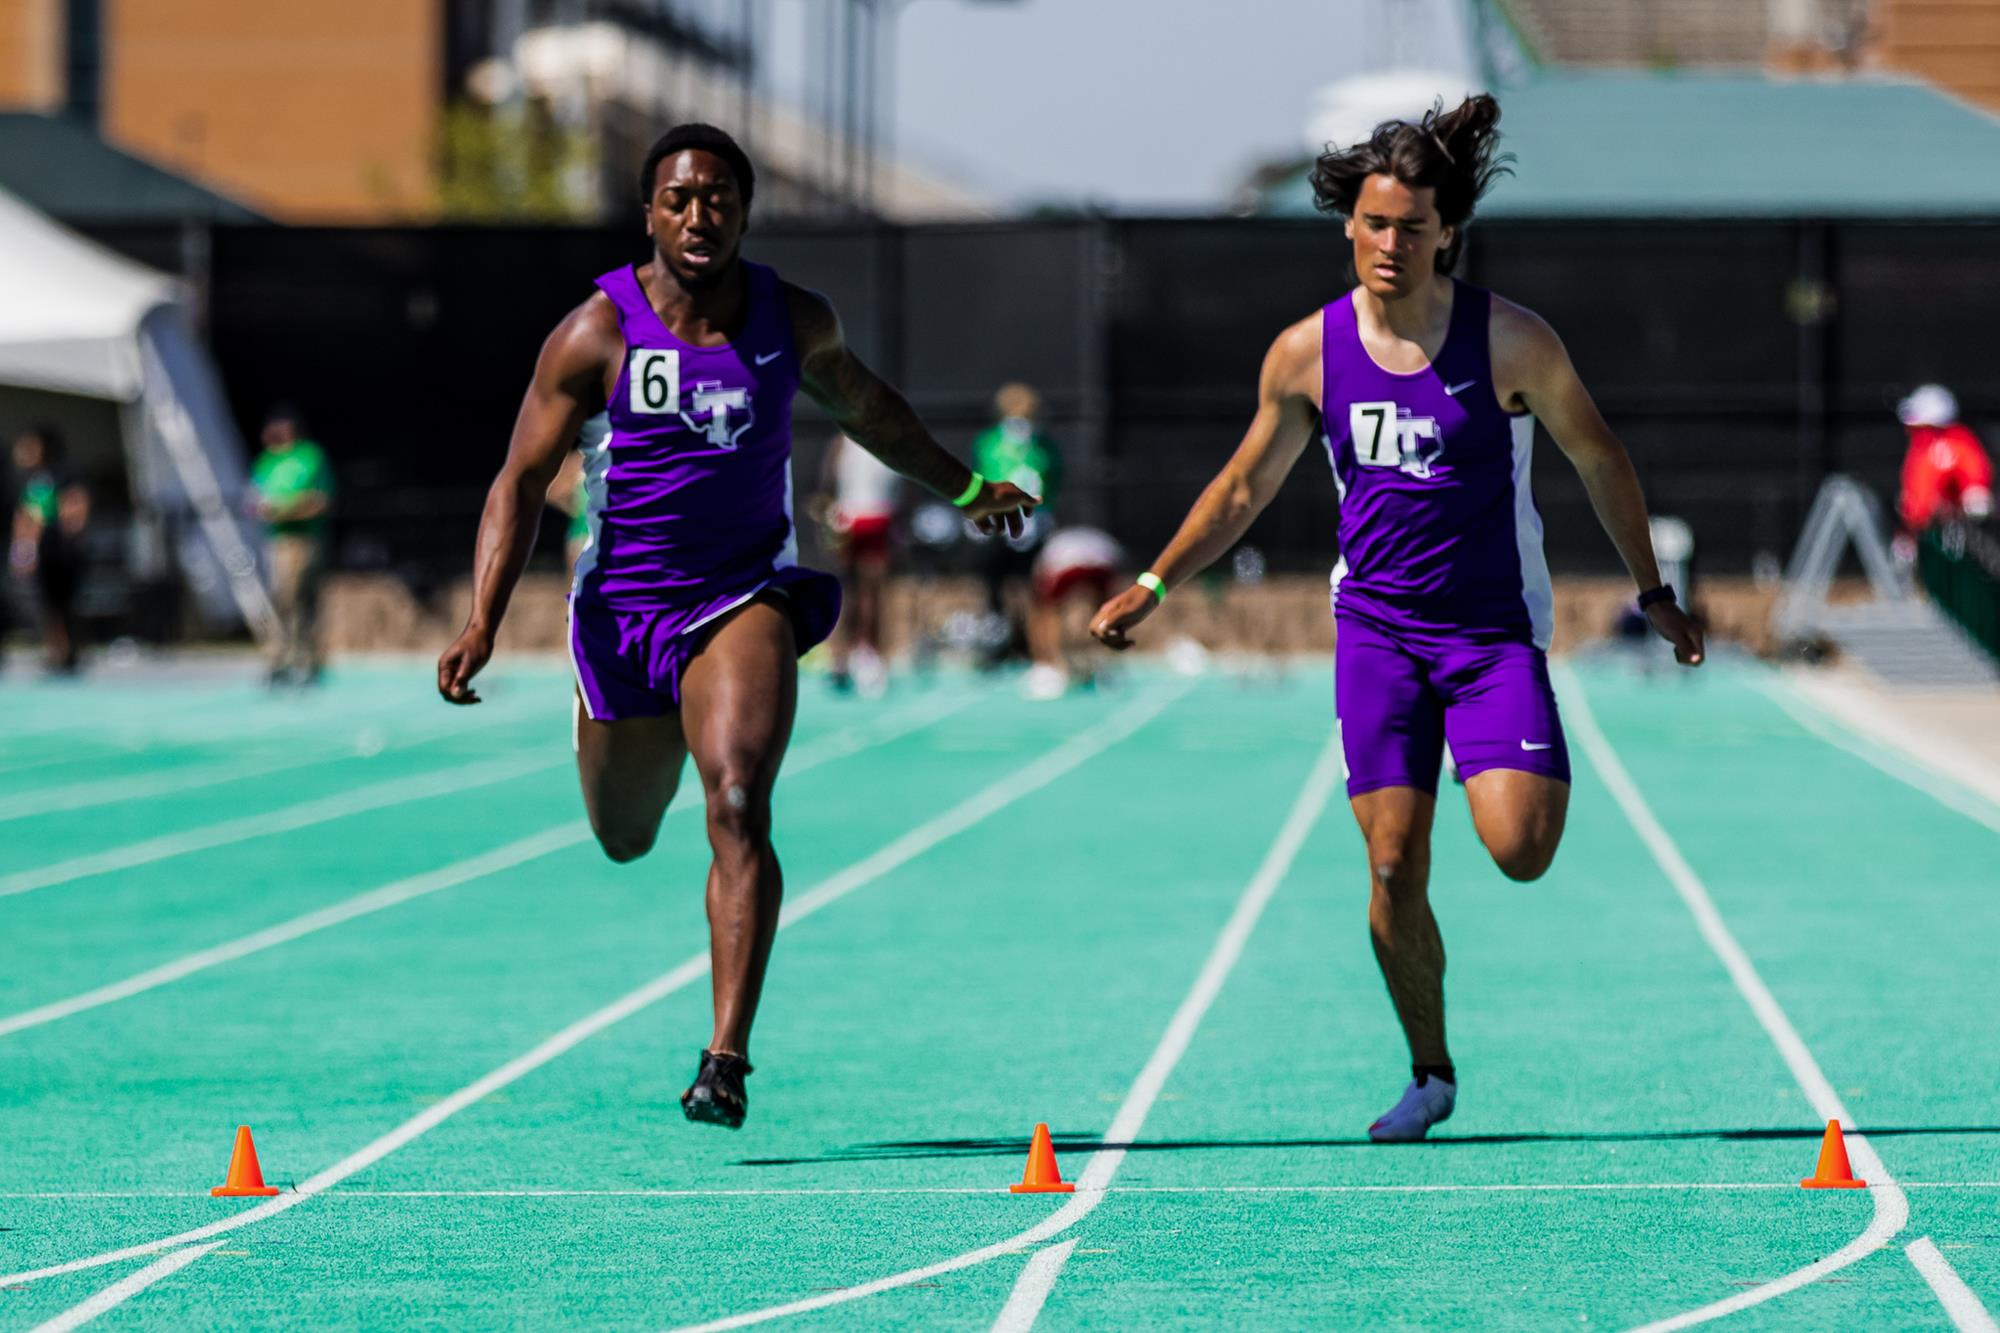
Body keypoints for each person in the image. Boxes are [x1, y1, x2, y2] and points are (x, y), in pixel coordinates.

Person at [1090, 95, 1703, 1143]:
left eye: (1411, 228)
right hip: (1374, 633)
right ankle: (1428, 1070)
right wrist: (1153, 584)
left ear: (1445, 234)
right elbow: (1243, 487)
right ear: (1347, 225)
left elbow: (1598, 456)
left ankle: (1511, 755)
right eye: (1374, 224)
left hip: (1489, 635)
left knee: (1519, 847)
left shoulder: (1510, 342)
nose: (1389, 244)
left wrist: (1650, 589)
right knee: (1388, 864)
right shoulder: (1304, 354)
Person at [435, 124, 1035, 1129]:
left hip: (739, 596)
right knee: (625, 837)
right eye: (678, 199)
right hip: (622, 613)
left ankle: (724, 1057)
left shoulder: (790, 320)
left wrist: (966, 485)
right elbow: (519, 478)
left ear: (744, 211)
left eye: (718, 197)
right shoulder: (595, 334)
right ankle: (659, 724)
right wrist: (481, 619)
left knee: (737, 800)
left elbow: (871, 412)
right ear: (648, 213)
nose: (698, 215)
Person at [970, 382, 1062, 666]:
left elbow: (1054, 479)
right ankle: (998, 646)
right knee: (994, 588)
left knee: (1032, 588)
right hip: (998, 522)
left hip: (1033, 524)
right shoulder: (989, 443)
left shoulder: (1043, 445)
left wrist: (1044, 511)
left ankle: (1032, 645)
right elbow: (981, 476)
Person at [248, 405, 334, 686]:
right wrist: (276, 509)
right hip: (278, 541)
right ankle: (280, 658)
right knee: (282, 599)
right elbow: (257, 502)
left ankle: (308, 659)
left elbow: (319, 501)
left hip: (306, 538)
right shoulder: (265, 462)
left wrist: (286, 509)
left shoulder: (309, 456)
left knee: (304, 599)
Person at [814, 432, 899, 696]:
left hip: (878, 517)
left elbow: (900, 486)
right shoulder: (840, 442)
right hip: (848, 519)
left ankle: (870, 654)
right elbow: (826, 485)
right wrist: (827, 516)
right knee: (847, 591)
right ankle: (840, 658)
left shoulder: (889, 440)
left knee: (873, 592)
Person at [8, 425, 89, 674]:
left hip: (62, 548)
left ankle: (70, 651)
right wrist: (21, 551)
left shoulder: (64, 472)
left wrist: (72, 533)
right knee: (46, 603)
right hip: (42, 550)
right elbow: (26, 515)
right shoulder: (30, 479)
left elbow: (76, 503)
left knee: (64, 602)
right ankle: (55, 649)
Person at [1024, 525, 1123, 699]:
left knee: (1049, 613)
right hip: (1080, 558)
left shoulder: (1055, 564)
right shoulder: (1056, 564)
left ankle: (1054, 665)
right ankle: (1059, 665)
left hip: (1082, 559)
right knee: (1105, 613)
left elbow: (1043, 614)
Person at [1896, 383, 1992, 536]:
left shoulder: (1955, 444)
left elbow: (1975, 493)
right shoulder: (1919, 448)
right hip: (1918, 532)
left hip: (1949, 534)